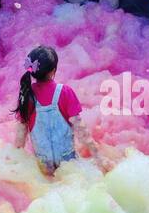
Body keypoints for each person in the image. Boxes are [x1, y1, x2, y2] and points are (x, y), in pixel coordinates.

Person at [14, 44, 101, 175]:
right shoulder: (65, 92)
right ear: (53, 71)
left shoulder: (27, 95)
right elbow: (81, 129)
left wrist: (16, 163)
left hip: (43, 165)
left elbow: (20, 138)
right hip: (68, 164)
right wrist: (98, 157)